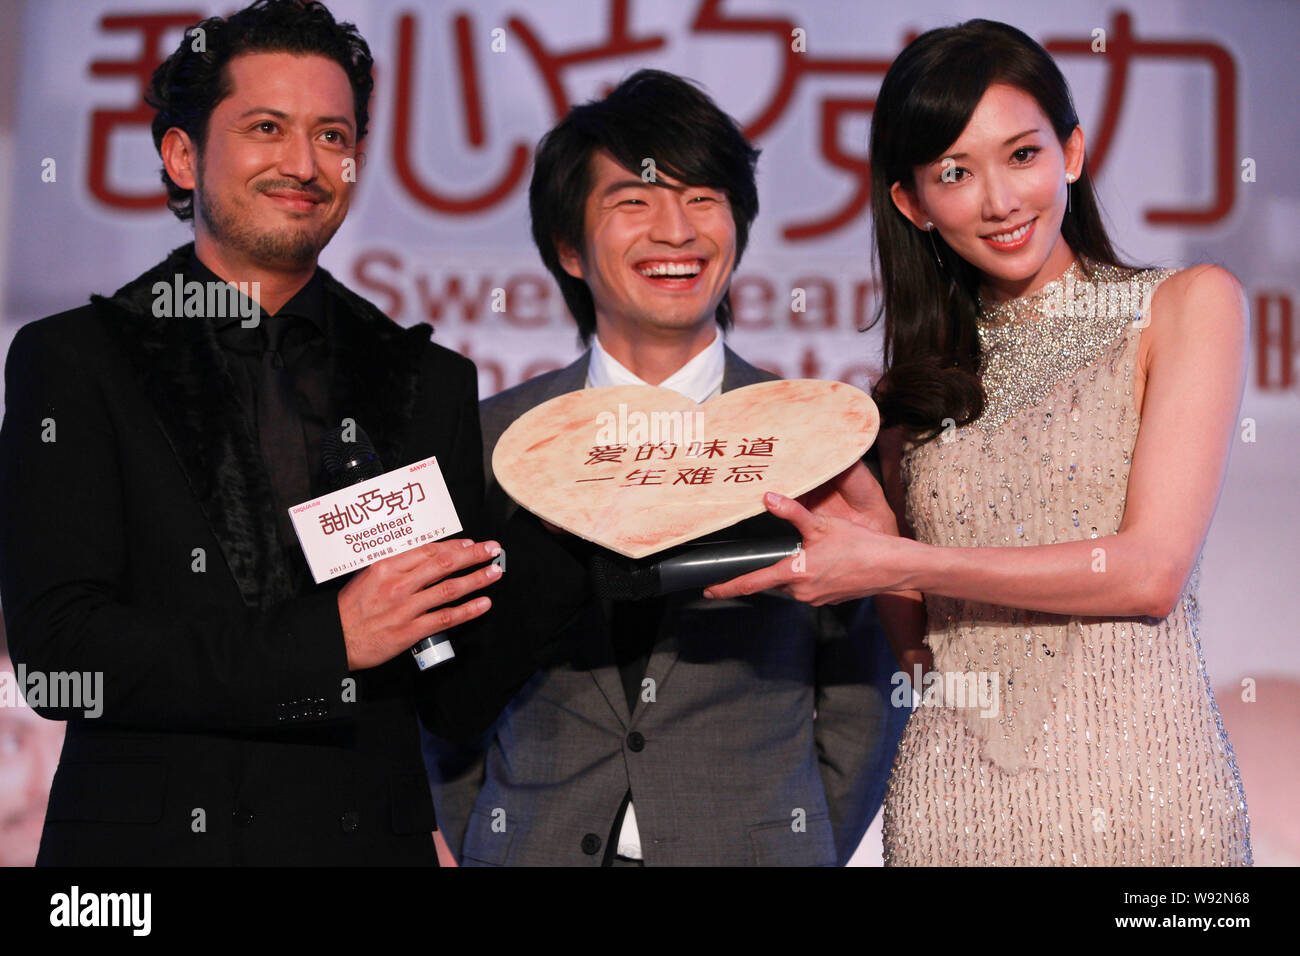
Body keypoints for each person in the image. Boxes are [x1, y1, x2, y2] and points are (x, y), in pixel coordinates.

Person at [0, 0, 581, 866]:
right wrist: (331, 642)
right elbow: (58, 659)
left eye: (334, 136)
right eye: (267, 127)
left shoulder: (428, 382)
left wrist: (585, 546)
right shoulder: (77, 363)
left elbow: (451, 696)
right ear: (182, 154)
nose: (305, 164)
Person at [705, 20, 1252, 866]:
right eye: (955, 173)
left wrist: (905, 563)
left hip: (1152, 801)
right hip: (954, 809)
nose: (999, 200)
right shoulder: (908, 397)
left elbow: (1149, 573)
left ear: (1071, 152)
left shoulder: (1180, 306)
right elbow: (929, 656)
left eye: (1023, 156)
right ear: (912, 202)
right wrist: (876, 539)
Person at [423, 70, 907, 866]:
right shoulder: (494, 441)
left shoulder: (815, 436)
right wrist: (480, 837)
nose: (675, 230)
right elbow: (441, 686)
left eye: (703, 197)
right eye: (633, 202)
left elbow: (862, 684)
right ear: (570, 249)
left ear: (739, 229)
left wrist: (801, 841)